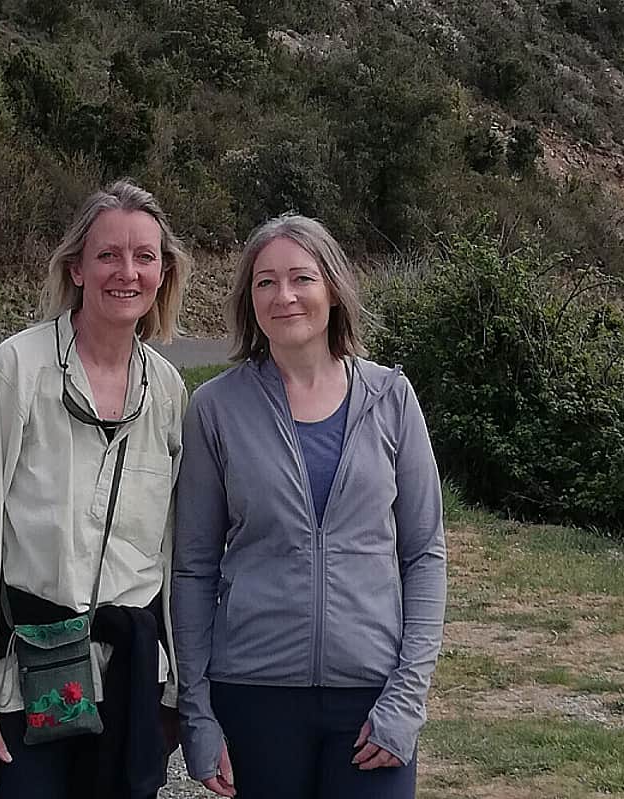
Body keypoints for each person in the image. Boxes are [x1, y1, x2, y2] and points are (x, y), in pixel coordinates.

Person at [0, 180, 191, 799]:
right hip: (22, 680)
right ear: (78, 269)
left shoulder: (167, 391)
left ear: (163, 273)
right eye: (108, 255)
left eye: (144, 256)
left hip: (124, 687)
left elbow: (173, 558)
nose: (127, 272)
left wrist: (176, 689)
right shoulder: (14, 372)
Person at [171, 214, 446, 799]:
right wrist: (197, 712)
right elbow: (192, 568)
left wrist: (407, 698)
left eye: (302, 278)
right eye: (265, 282)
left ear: (334, 290)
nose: (284, 295)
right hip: (254, 697)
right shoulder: (216, 409)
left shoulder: (391, 397)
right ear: (249, 299)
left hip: (372, 701)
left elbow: (424, 554)